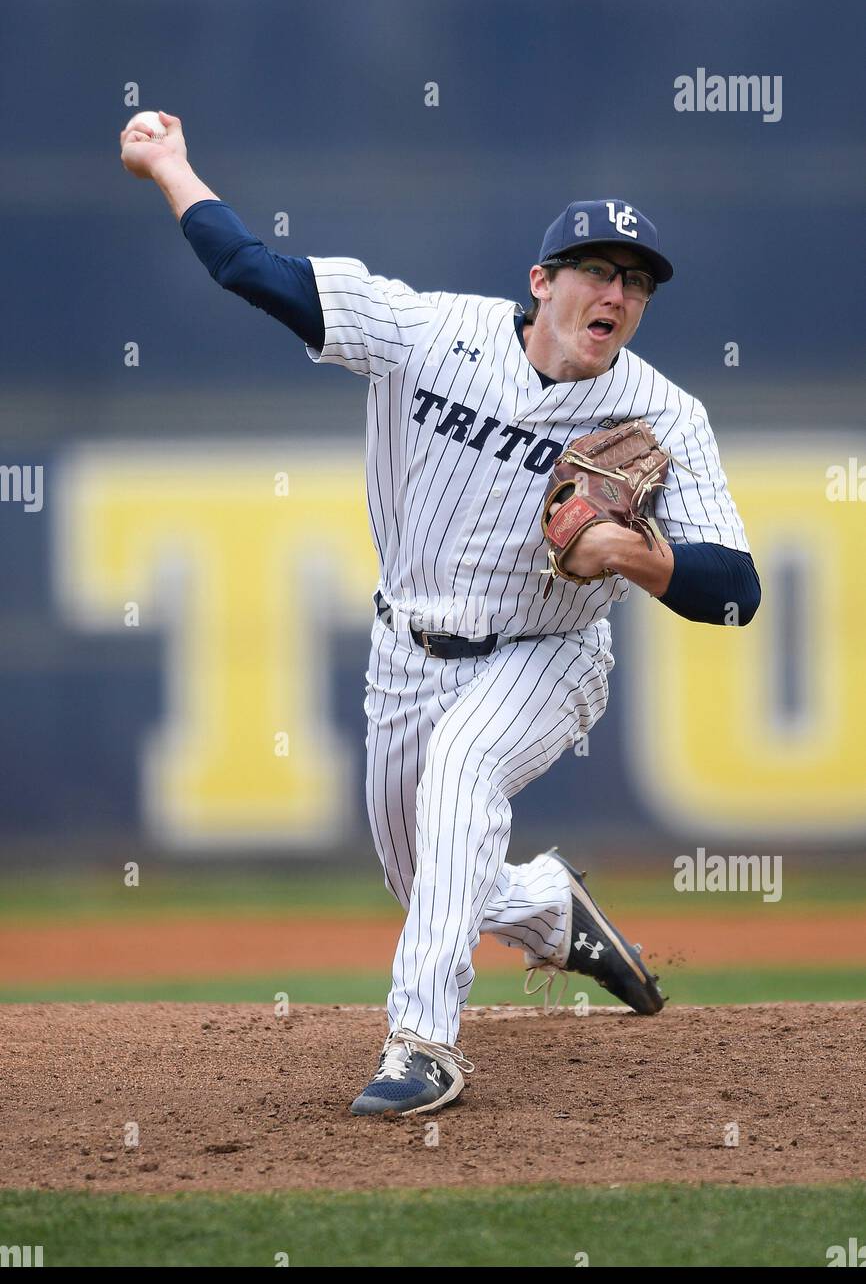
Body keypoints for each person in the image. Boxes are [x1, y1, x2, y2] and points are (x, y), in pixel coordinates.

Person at [120, 112, 761, 1117]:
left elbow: (735, 594)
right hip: (403, 651)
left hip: (545, 654)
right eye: (594, 268)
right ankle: (552, 909)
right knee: (424, 874)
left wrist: (638, 553)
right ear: (540, 281)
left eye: (634, 281)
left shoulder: (664, 412)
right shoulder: (428, 333)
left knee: (462, 772)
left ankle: (422, 1046)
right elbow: (250, 268)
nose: (615, 294)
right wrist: (170, 165)